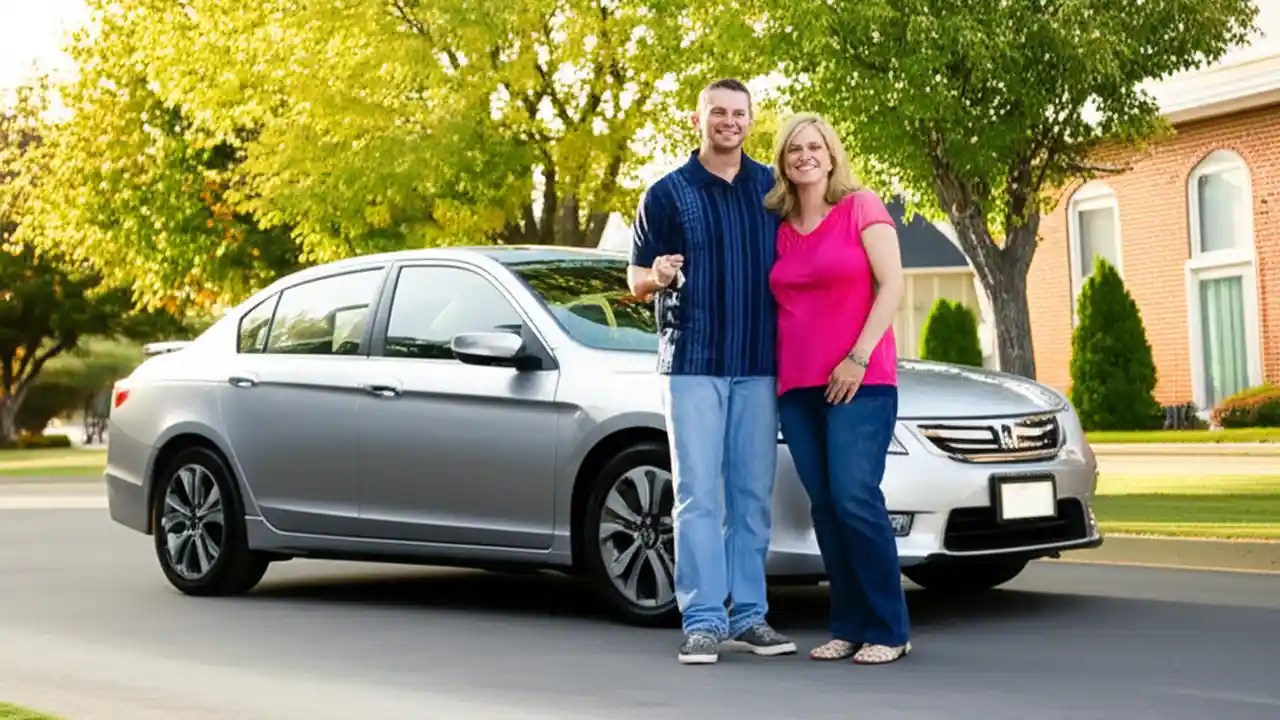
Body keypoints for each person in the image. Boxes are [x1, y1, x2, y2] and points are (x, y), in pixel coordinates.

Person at [627, 78, 796, 665]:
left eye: (739, 114)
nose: (729, 122)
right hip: (693, 362)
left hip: (758, 363)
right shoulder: (667, 194)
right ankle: (701, 620)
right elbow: (635, 279)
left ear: (750, 122)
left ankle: (750, 616)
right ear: (698, 120)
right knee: (700, 496)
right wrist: (659, 276)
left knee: (751, 496)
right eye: (718, 113)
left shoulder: (772, 192)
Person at [765, 112, 912, 665]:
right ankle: (849, 625)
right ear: (783, 161)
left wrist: (856, 356)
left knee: (855, 498)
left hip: (860, 380)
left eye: (815, 146)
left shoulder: (861, 208)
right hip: (797, 386)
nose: (806, 155)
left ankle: (890, 628)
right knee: (825, 507)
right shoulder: (778, 230)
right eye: (795, 148)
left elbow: (893, 284)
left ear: (831, 155)